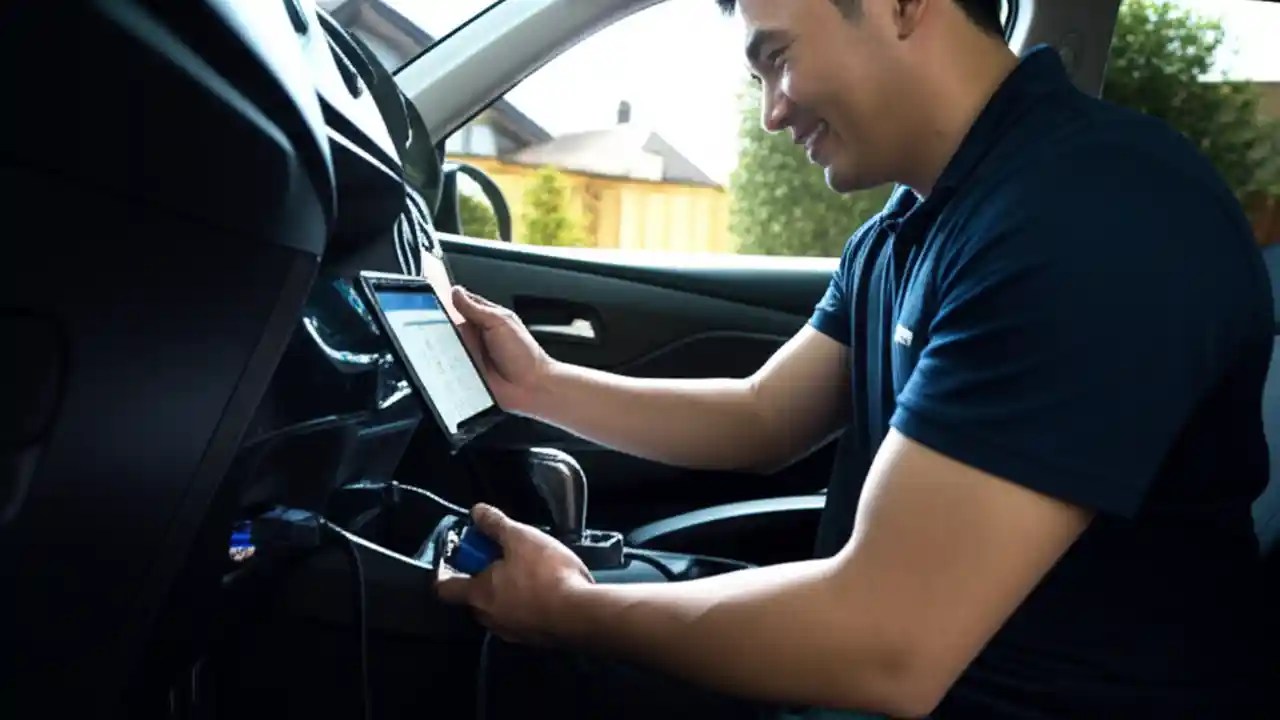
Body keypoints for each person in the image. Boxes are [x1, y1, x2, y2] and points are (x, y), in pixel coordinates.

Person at [436, 0, 1275, 717]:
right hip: (921, 672)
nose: (772, 113)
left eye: (777, 58)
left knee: (533, 665)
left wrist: (570, 609)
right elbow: (765, 415)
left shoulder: (1087, 216)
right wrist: (538, 384)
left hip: (1023, 698)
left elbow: (889, 645)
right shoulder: (911, 225)